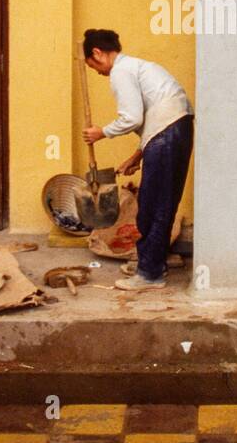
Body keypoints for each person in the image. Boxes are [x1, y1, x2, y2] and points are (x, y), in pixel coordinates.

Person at [81, 29, 194, 291]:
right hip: (174, 132)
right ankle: (152, 262)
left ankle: (150, 274)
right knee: (162, 202)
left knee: (153, 205)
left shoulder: (121, 71)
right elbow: (156, 120)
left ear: (97, 53)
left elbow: (132, 118)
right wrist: (137, 155)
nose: (99, 73)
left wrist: (102, 133)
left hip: (167, 134)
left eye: (94, 66)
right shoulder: (139, 67)